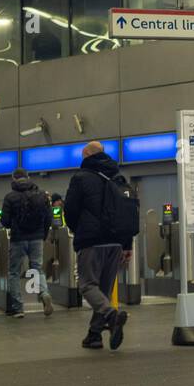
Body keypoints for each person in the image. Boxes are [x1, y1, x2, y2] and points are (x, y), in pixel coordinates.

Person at [64, 141, 136, 350]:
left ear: (86, 155)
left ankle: (111, 315)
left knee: (87, 285)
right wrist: (126, 243)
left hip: (92, 240)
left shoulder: (80, 178)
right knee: (102, 290)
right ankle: (94, 335)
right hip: (115, 243)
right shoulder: (118, 178)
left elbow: (70, 210)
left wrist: (79, 231)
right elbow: (126, 212)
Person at [1, 167, 55, 319]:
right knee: (37, 269)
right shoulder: (41, 195)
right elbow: (48, 218)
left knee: (14, 272)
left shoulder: (10, 197)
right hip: (37, 238)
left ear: (14, 179)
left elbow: (4, 221)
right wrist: (42, 235)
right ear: (28, 177)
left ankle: (18, 308)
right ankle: (44, 293)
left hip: (18, 239)